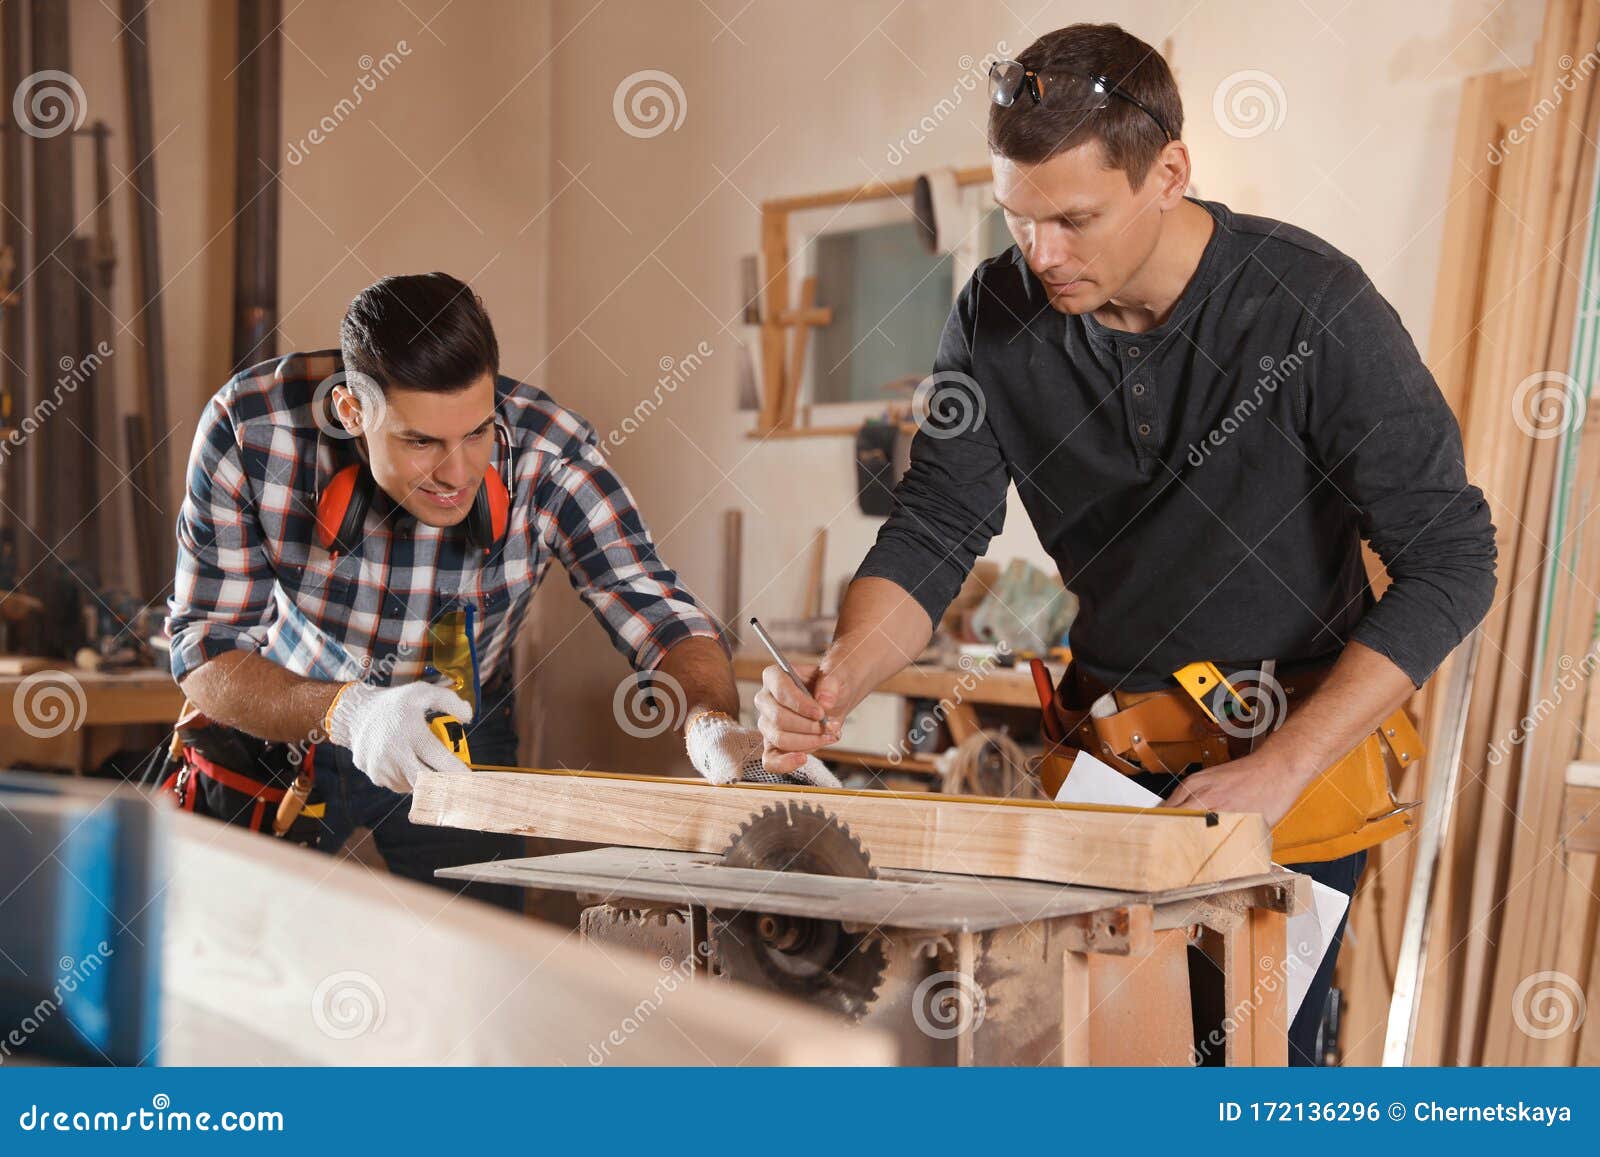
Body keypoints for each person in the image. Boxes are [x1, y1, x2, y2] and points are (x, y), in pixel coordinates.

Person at [752, 24, 1496, 1064]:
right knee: (1091, 1071)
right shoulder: (997, 310)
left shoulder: (1310, 306)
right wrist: (841, 672)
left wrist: (1276, 767)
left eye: (1073, 218)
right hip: (1112, 764)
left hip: (1290, 773)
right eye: (1018, 220)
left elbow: (1453, 558)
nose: (1042, 254)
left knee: (1237, 1085)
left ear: (1169, 173)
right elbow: (935, 522)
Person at [166, 272, 834, 909]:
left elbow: (652, 604)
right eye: (421, 440)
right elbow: (204, 647)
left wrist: (713, 723)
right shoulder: (252, 430)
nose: (457, 473)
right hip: (283, 711)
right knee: (226, 948)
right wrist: (350, 712)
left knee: (482, 964)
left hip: (454, 722)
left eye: (477, 432)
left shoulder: (550, 452)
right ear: (351, 409)